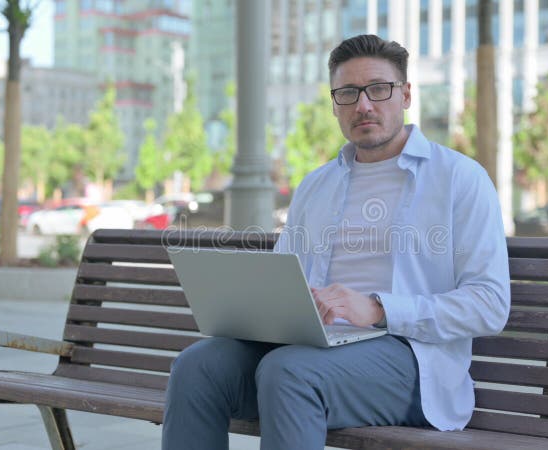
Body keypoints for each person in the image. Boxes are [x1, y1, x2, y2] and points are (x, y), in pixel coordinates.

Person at [162, 34, 510, 450]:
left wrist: (379, 308)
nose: (363, 105)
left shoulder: (459, 178)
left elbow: (490, 304)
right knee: (197, 366)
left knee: (288, 371)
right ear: (334, 105)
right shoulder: (316, 185)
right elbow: (284, 282)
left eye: (378, 89)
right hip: (310, 348)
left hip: (411, 361)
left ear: (406, 95)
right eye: (348, 93)